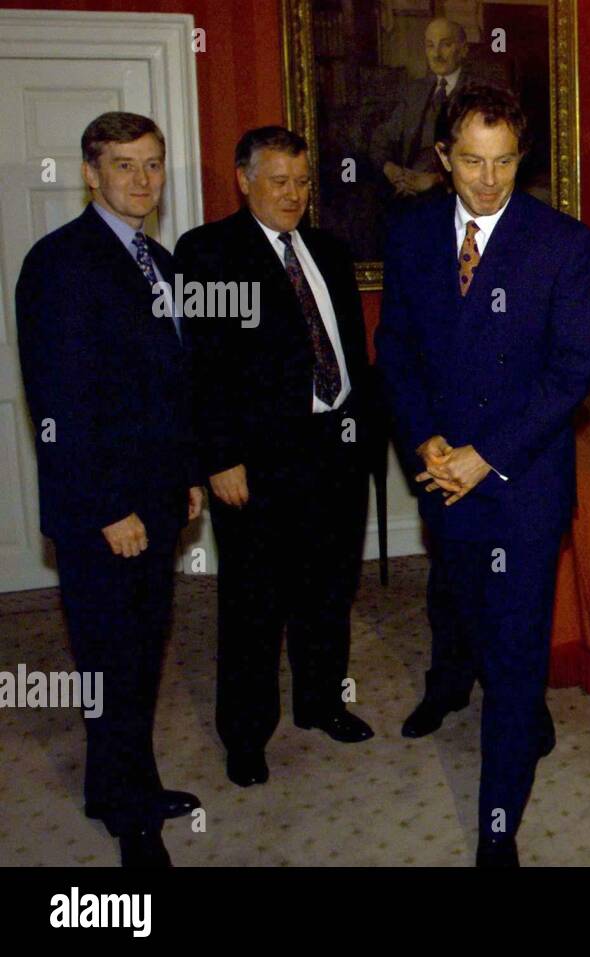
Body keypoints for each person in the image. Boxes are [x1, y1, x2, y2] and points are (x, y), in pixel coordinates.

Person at [376, 85, 590, 867]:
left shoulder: (562, 242)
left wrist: (485, 455)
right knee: (475, 625)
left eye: (505, 162)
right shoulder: (408, 237)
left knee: (512, 653)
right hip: (444, 481)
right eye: (472, 160)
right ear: (442, 158)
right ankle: (521, 704)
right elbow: (395, 352)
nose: (489, 180)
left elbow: (570, 374)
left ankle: (496, 826)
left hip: (522, 486)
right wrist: (426, 440)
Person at [16, 111, 204, 867]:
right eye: (124, 165)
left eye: (153, 164)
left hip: (155, 498)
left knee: (139, 654)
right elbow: (60, 404)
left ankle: (122, 785)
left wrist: (187, 472)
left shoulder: (154, 258)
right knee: (110, 661)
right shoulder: (60, 263)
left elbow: (170, 385)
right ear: (90, 172)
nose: (142, 179)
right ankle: (130, 818)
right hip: (106, 511)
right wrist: (107, 509)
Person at [174, 126, 376, 790]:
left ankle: (321, 703)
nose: (293, 194)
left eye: (302, 181)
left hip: (336, 453)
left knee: (327, 589)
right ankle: (246, 734)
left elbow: (348, 350)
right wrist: (219, 456)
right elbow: (201, 366)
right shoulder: (206, 252)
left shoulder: (328, 250)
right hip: (257, 465)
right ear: (243, 179)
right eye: (278, 181)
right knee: (254, 603)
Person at [369, 17, 509, 201]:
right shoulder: (415, 91)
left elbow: (488, 154)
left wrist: (437, 179)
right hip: (408, 186)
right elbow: (382, 138)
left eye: (446, 45)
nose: (436, 54)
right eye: (430, 45)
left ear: (463, 50)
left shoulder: (480, 91)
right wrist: (391, 169)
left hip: (453, 190)